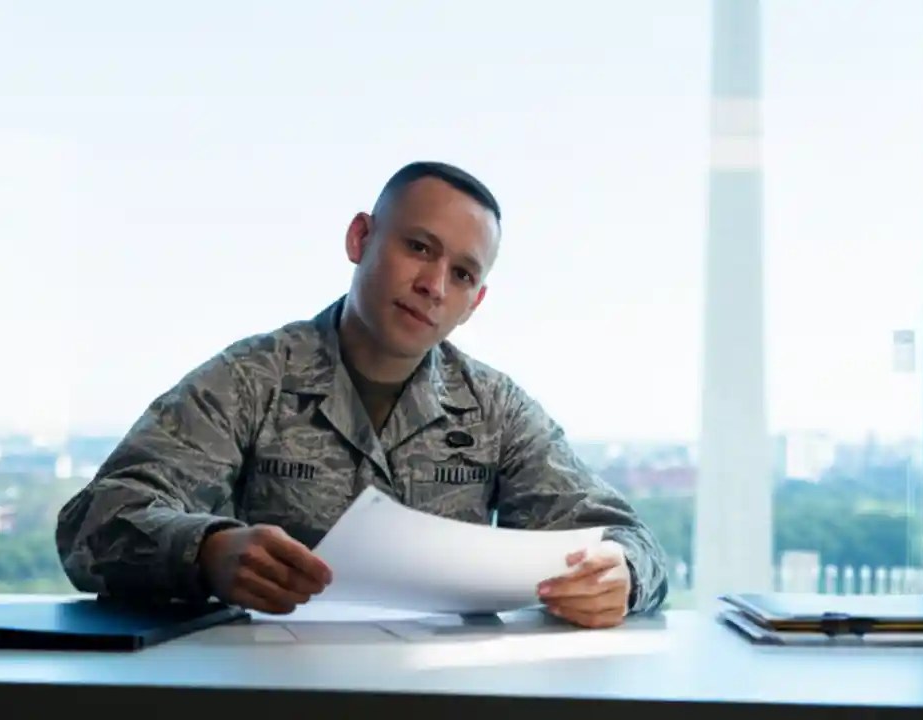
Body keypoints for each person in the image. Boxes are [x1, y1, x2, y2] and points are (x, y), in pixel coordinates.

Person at [55, 161, 669, 629]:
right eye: (419, 248)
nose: (432, 285)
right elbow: (93, 523)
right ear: (360, 239)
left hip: (448, 698)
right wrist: (208, 552)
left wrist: (622, 575)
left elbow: (629, 540)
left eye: (462, 274)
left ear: (474, 303)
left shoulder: (495, 409)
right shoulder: (253, 379)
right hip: (271, 694)